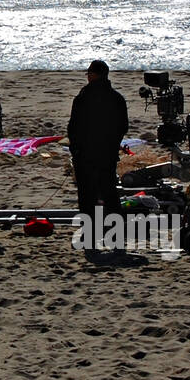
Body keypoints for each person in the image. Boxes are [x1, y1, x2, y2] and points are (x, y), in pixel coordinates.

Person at [67, 60, 128, 248]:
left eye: (89, 73)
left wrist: (75, 148)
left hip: (85, 154)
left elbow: (73, 127)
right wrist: (113, 144)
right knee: (109, 193)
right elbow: (123, 126)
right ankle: (116, 234)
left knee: (87, 196)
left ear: (93, 75)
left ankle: (90, 234)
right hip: (107, 153)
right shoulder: (116, 98)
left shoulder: (84, 97)